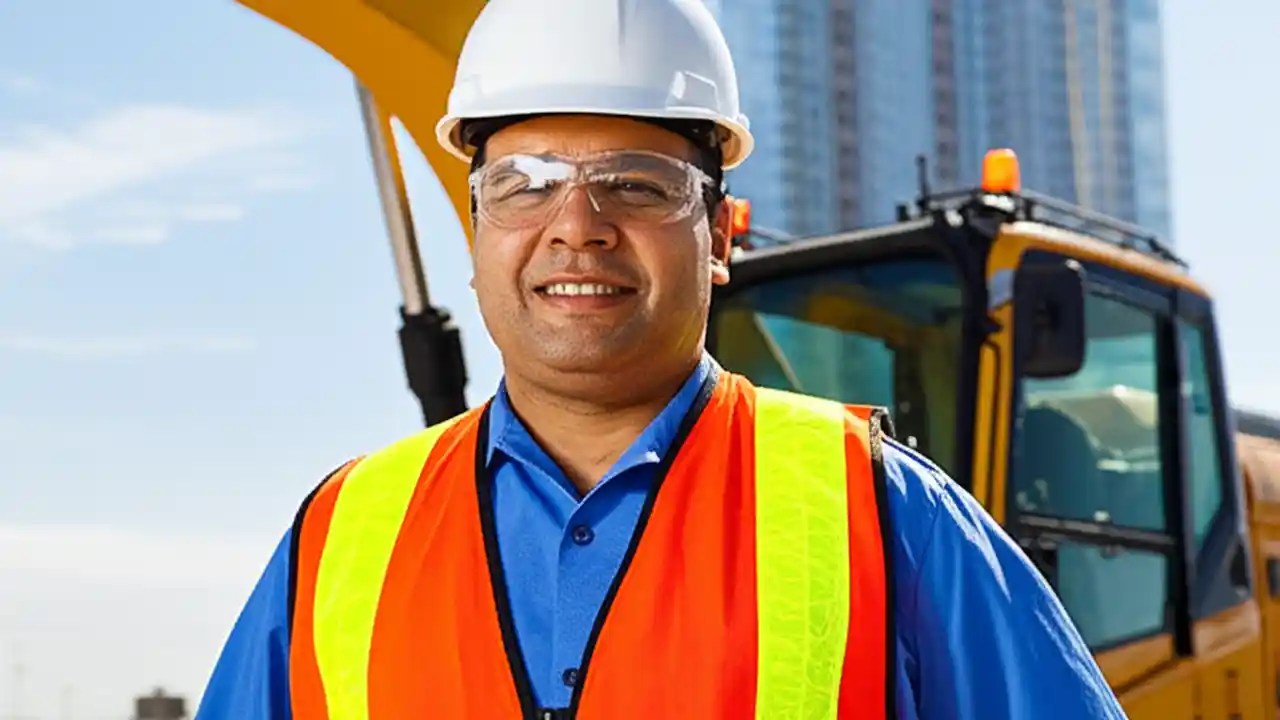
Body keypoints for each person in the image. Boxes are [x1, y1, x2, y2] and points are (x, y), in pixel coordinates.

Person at [196, 0, 1128, 718]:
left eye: (635, 185)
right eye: (524, 186)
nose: (578, 228)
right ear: (477, 232)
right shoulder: (340, 537)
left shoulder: (881, 514)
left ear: (719, 235)